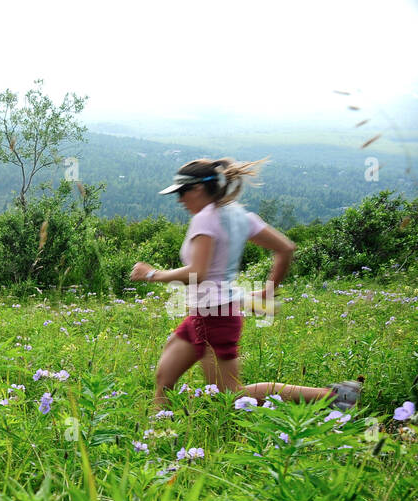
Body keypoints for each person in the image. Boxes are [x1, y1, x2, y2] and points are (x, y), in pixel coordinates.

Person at [129, 158, 361, 411]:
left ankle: (335, 396)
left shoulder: (206, 218)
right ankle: (156, 433)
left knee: (231, 395)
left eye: (182, 192)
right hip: (206, 312)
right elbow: (285, 248)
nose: (179, 200)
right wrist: (268, 291)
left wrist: (152, 274)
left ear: (197, 189)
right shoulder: (239, 214)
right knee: (164, 378)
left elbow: (198, 272)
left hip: (214, 316)